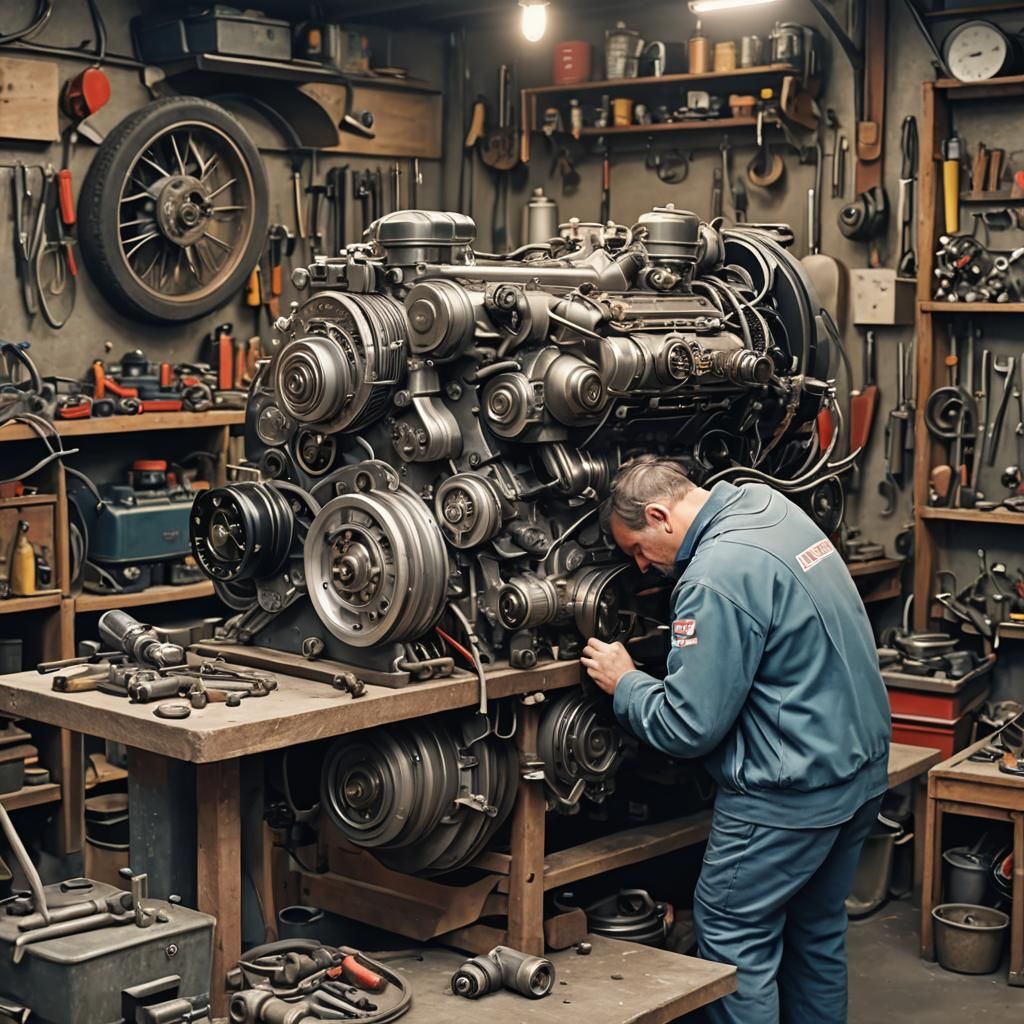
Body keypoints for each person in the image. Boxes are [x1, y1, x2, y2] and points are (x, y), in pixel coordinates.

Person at [581, 455, 891, 1024]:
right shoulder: (770, 508)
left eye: (637, 549)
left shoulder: (713, 576)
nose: (644, 568)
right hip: (861, 770)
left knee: (731, 931)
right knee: (815, 930)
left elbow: (687, 726)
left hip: (788, 791)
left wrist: (624, 682)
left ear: (659, 514)